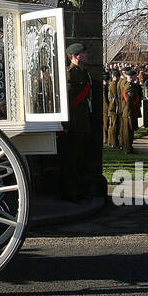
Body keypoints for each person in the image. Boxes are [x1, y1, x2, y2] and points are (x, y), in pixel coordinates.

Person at [59, 44, 93, 201]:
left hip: (83, 121)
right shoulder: (68, 74)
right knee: (71, 160)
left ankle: (79, 190)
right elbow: (66, 101)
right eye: (83, 53)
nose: (86, 55)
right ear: (75, 56)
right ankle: (69, 192)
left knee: (80, 159)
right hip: (73, 123)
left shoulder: (85, 73)